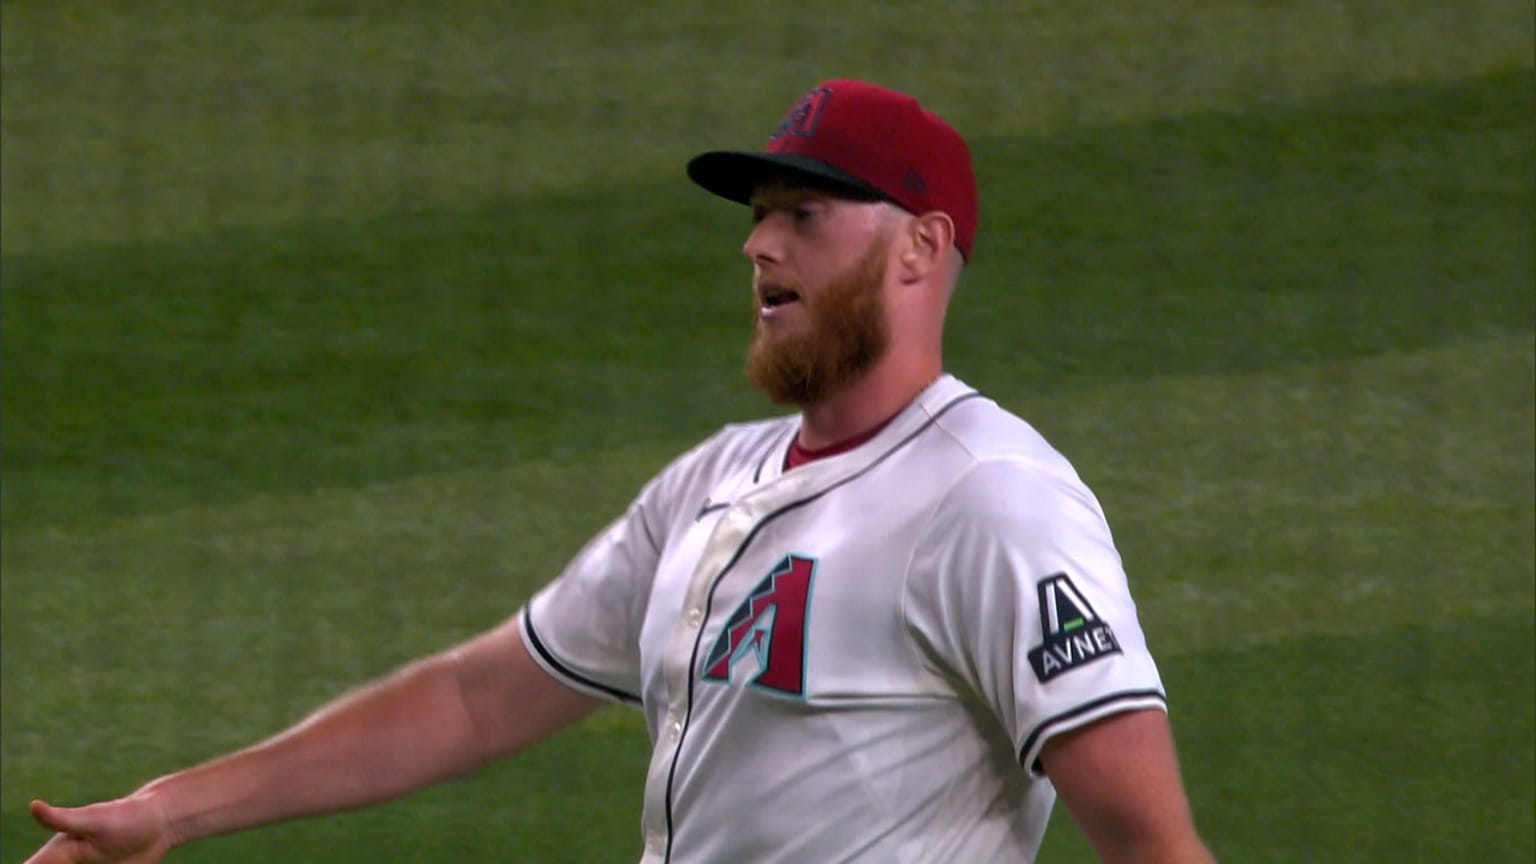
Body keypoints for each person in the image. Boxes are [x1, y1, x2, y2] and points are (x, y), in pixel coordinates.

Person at [24, 79, 1213, 864]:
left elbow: (1152, 842)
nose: (757, 243)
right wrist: (170, 810)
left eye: (803, 215)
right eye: (758, 218)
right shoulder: (713, 484)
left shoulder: (992, 498)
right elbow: (473, 697)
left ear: (921, 246)